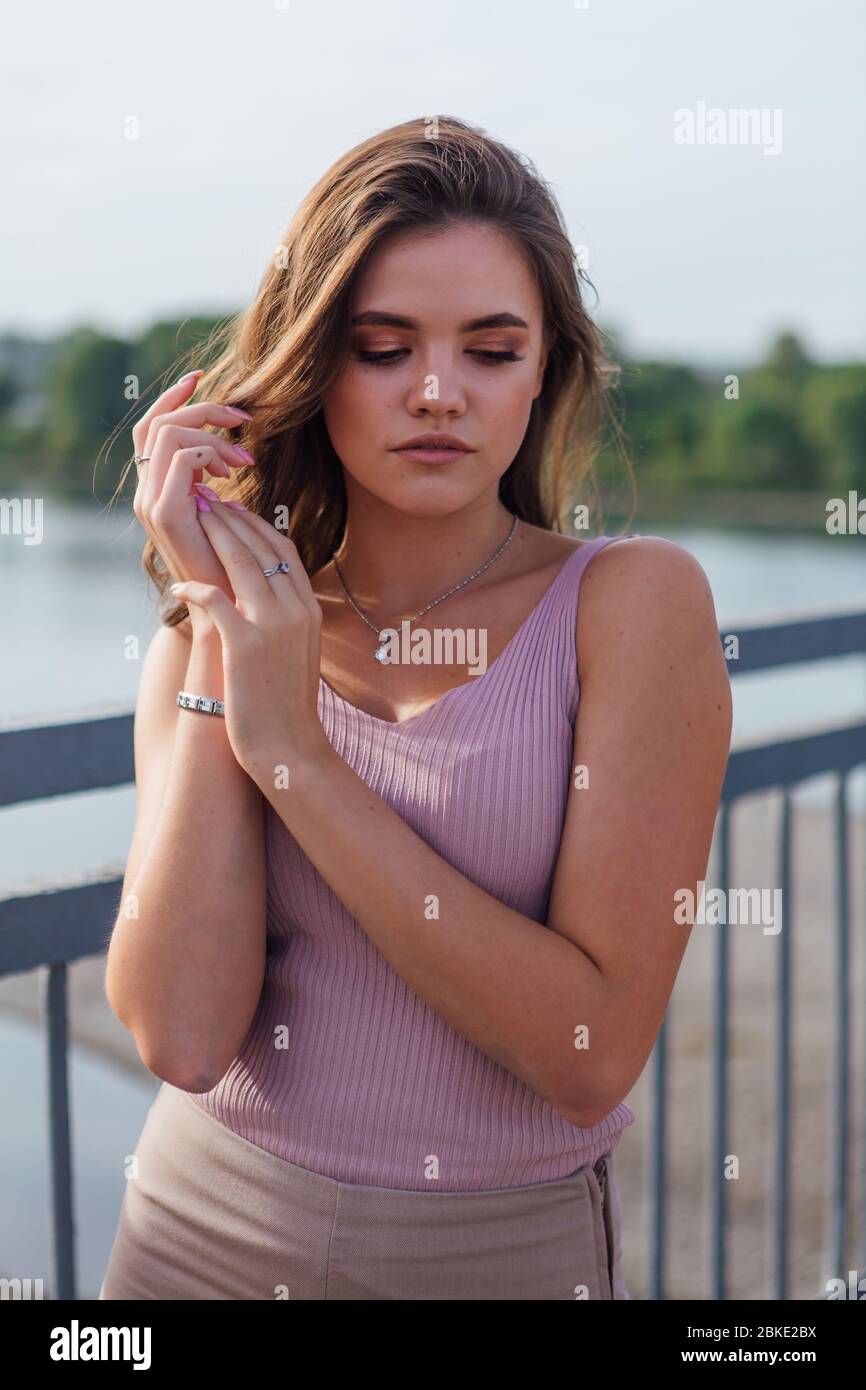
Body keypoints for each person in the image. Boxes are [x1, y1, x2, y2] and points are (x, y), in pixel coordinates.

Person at [99, 115, 731, 1300]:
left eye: (490, 351)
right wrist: (215, 622)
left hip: (494, 1262)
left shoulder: (632, 605)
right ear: (312, 362)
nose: (436, 392)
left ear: (545, 368)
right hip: (192, 1240)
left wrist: (292, 753)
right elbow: (181, 1038)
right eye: (383, 348)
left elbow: (587, 1054)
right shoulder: (224, 623)